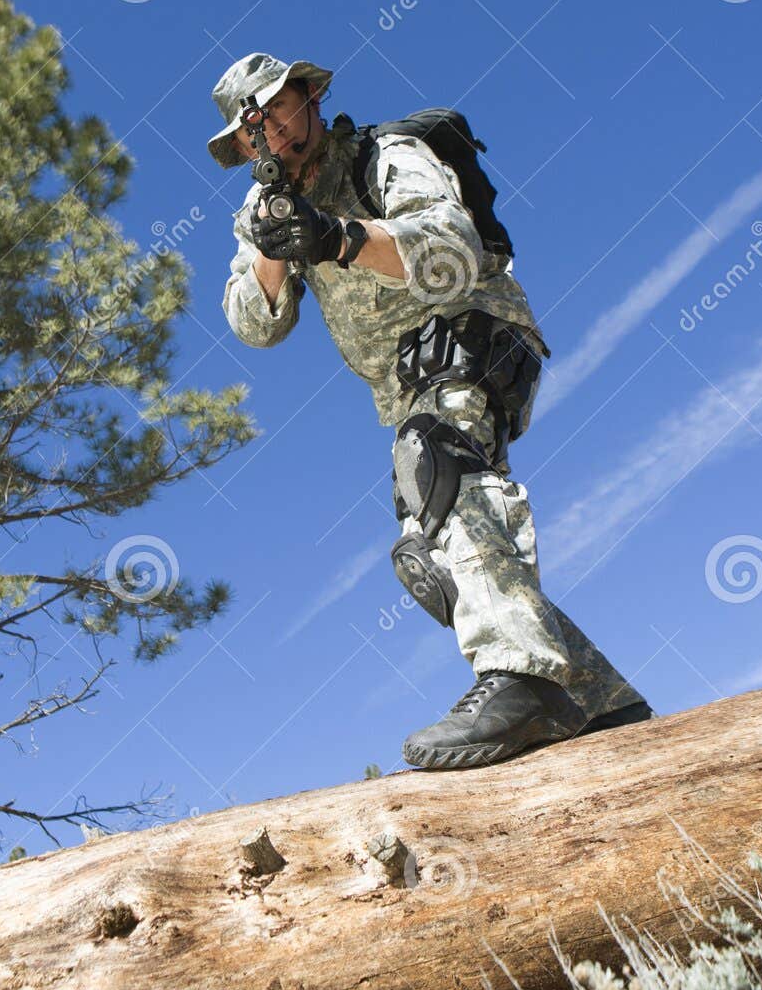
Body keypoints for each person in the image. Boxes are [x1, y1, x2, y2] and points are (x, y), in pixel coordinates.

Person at [213, 52, 653, 769]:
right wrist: (271, 245)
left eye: (277, 109)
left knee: (440, 468)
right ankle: (601, 702)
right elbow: (254, 326)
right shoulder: (258, 211)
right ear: (240, 145)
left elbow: (455, 250)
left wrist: (338, 237)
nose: (267, 133)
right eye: (250, 128)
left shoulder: (384, 156)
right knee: (433, 556)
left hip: (470, 326)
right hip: (407, 381)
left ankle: (521, 677)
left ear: (311, 98)